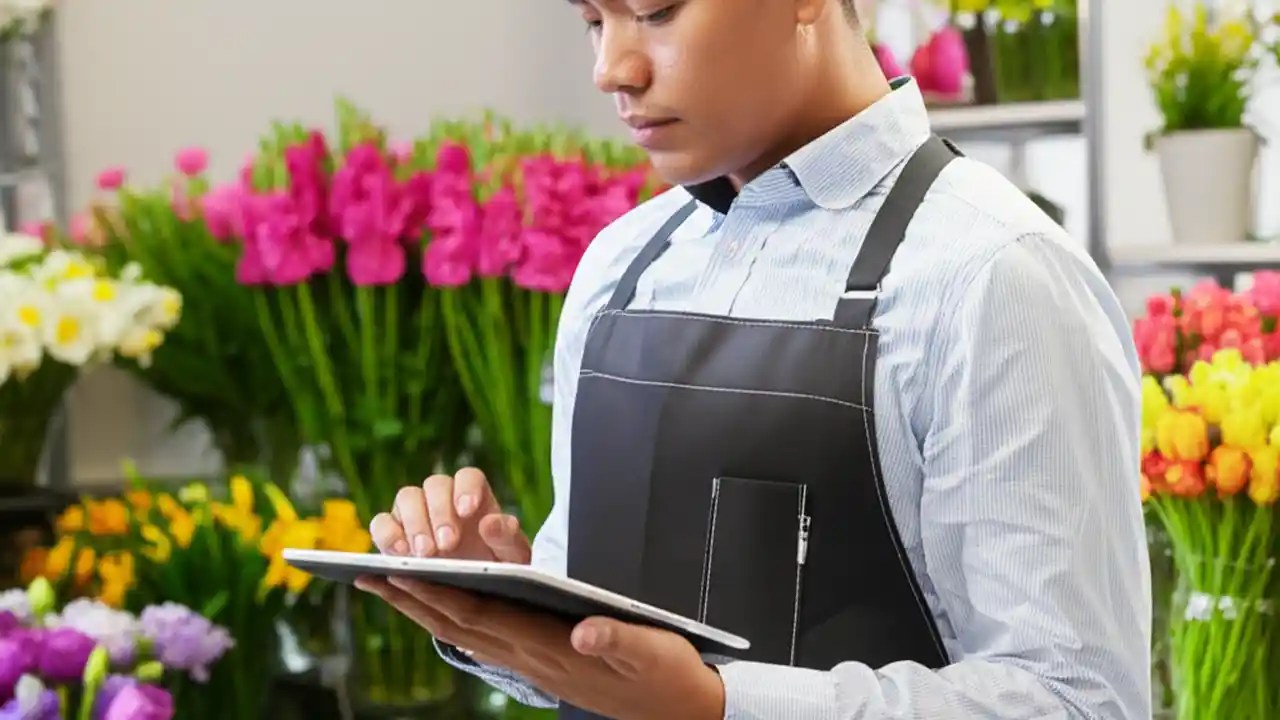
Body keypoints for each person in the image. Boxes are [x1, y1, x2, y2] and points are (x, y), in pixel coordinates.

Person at [357, 0, 1152, 718]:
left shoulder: (994, 276)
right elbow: (592, 648)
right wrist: (500, 608)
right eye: (595, 22)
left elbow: (1074, 700)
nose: (612, 69)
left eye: (657, 12)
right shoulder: (618, 269)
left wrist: (717, 705)